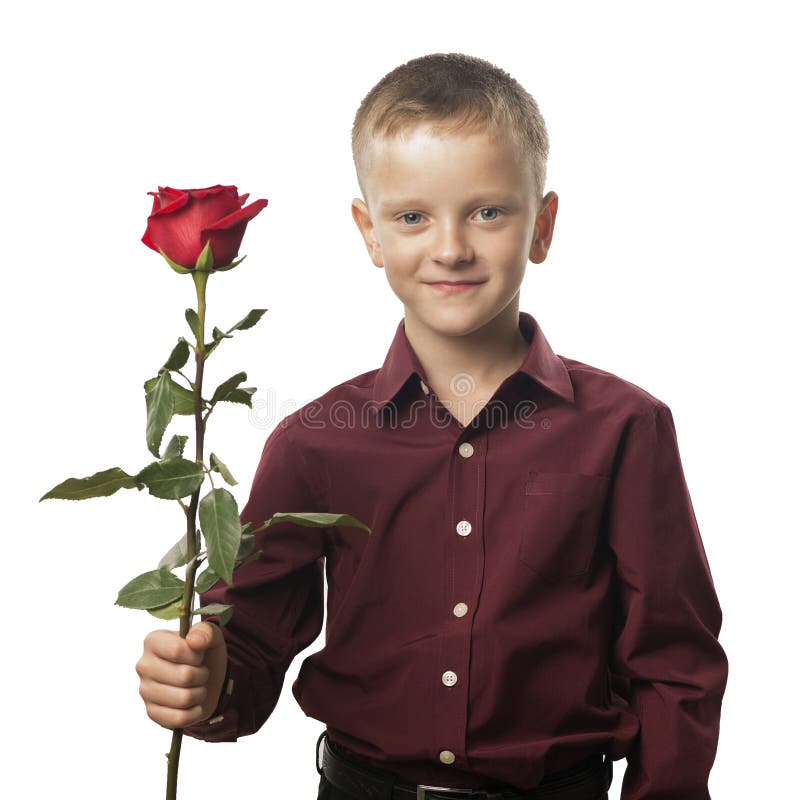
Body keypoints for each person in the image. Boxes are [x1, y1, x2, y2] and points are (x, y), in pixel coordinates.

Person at [135, 52, 728, 800]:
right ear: (370, 232)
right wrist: (208, 681)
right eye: (412, 217)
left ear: (542, 225)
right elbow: (248, 644)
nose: (450, 247)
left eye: (488, 211)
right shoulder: (315, 442)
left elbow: (674, 662)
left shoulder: (626, 428)